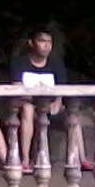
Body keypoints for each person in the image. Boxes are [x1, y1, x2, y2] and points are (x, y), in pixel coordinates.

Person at [9, 30, 73, 173]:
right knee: (28, 109)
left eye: (49, 42)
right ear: (32, 43)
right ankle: (25, 160)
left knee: (73, 117)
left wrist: (58, 101)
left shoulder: (55, 63)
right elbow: (16, 87)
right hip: (26, 102)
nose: (46, 46)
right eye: (42, 41)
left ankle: (81, 159)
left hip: (49, 104)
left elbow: (61, 88)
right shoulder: (20, 62)